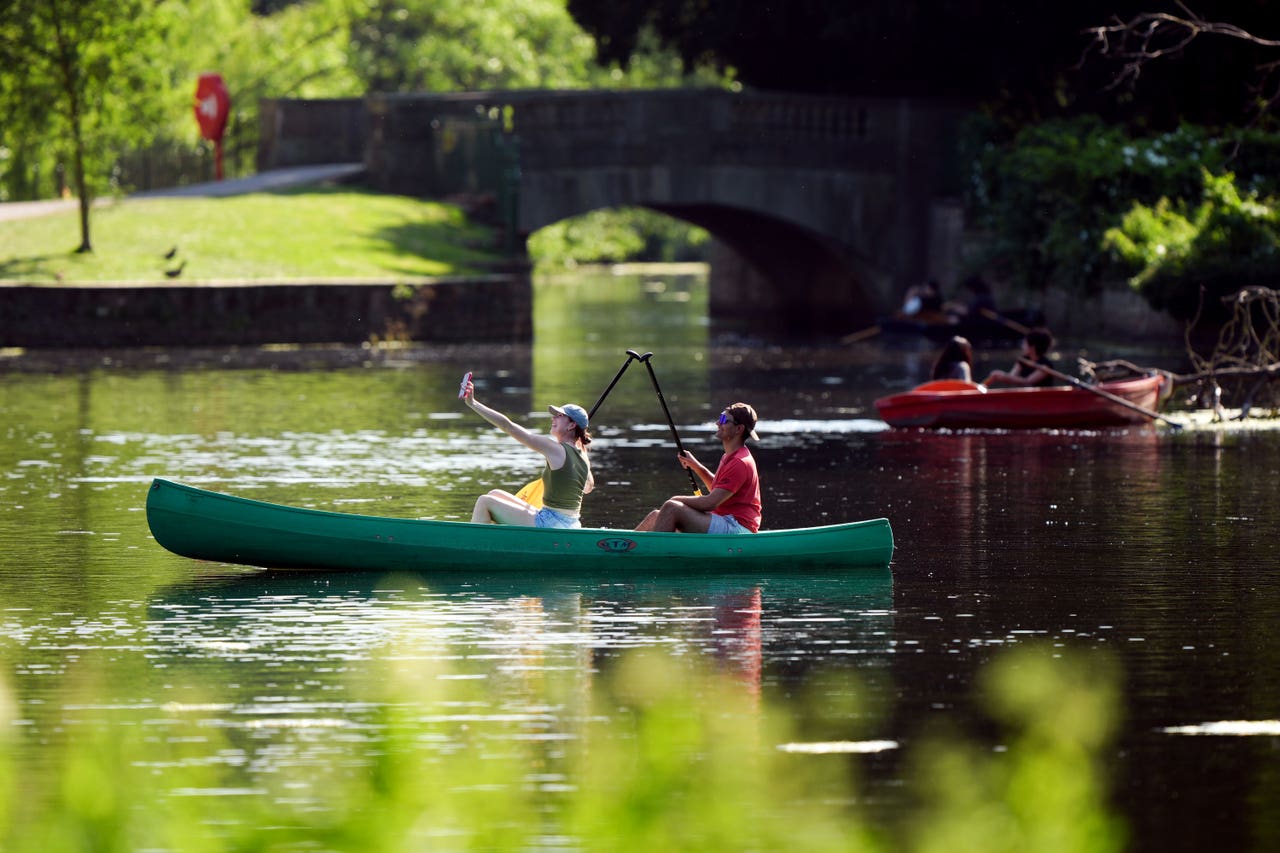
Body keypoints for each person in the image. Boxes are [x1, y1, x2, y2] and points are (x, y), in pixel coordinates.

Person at [461, 375, 593, 528]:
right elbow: (588, 487)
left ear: (571, 426)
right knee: (494, 494)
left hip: (551, 523)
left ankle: (476, 546)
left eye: (560, 416)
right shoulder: (583, 455)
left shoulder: (555, 448)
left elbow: (508, 426)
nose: (553, 419)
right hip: (571, 523)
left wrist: (473, 403)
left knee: (484, 501)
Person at [635, 402, 762, 534]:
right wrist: (696, 466)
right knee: (656, 515)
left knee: (671, 507)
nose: (718, 423)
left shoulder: (739, 462)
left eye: (724, 419)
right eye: (720, 417)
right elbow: (718, 490)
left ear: (739, 429)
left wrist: (674, 499)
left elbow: (710, 503)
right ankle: (626, 545)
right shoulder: (729, 456)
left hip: (738, 528)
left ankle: (654, 552)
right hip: (725, 520)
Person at [983, 326, 1055, 387]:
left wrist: (1002, 376)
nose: (1022, 347)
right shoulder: (1023, 360)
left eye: (1024, 344)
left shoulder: (1046, 366)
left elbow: (1027, 381)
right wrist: (1001, 376)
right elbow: (1012, 377)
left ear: (1032, 347)